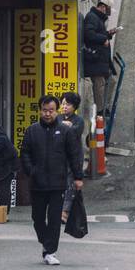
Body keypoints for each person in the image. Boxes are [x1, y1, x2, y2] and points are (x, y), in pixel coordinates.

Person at [19, 95, 84, 265]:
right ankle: (46, 242)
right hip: (37, 183)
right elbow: (24, 153)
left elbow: (74, 155)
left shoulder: (65, 131)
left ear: (57, 111)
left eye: (51, 110)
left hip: (58, 183)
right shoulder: (32, 131)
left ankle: (50, 251)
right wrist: (31, 170)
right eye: (45, 110)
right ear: (40, 110)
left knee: (55, 219)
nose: (48, 114)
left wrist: (78, 177)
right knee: (38, 218)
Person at [82, 0, 117, 117]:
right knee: (99, 85)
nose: (108, 13)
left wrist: (108, 34)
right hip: (95, 59)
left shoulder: (98, 18)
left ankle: (104, 106)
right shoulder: (92, 17)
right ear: (102, 7)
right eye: (108, 10)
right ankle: (100, 111)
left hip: (101, 59)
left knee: (111, 81)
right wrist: (103, 39)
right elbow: (89, 34)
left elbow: (97, 33)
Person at [59, 92, 85, 225]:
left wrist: (65, 126)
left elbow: (74, 133)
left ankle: (65, 212)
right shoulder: (58, 118)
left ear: (74, 106)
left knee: (71, 184)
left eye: (68, 104)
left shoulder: (79, 120)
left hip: (74, 157)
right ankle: (64, 210)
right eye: (63, 104)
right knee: (61, 184)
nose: (64, 107)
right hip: (59, 157)